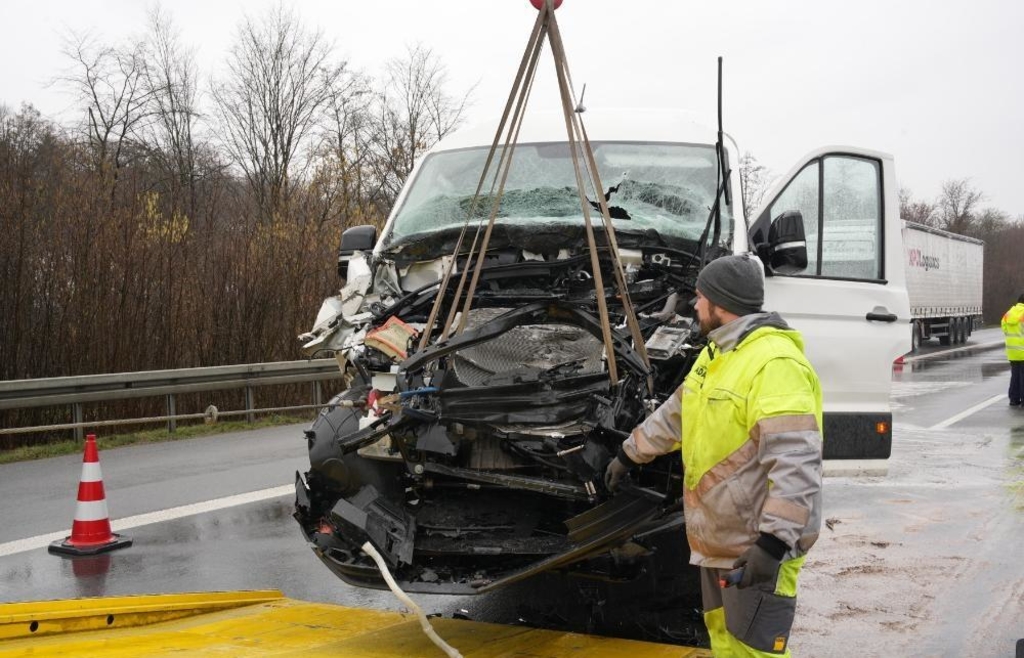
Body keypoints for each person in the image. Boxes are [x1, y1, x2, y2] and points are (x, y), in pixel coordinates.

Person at [605, 254, 823, 657]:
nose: (694, 305)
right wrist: (630, 453)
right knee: (723, 639)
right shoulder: (717, 354)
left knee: (753, 649)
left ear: (720, 304)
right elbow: (677, 413)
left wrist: (772, 544)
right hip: (720, 537)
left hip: (756, 543)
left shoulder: (775, 364)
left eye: (700, 297)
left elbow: (796, 464)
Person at [1000, 294, 1024, 406]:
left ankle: (1014, 399)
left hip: (1012, 351)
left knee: (1015, 375)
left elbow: (1004, 329)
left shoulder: (1009, 313)